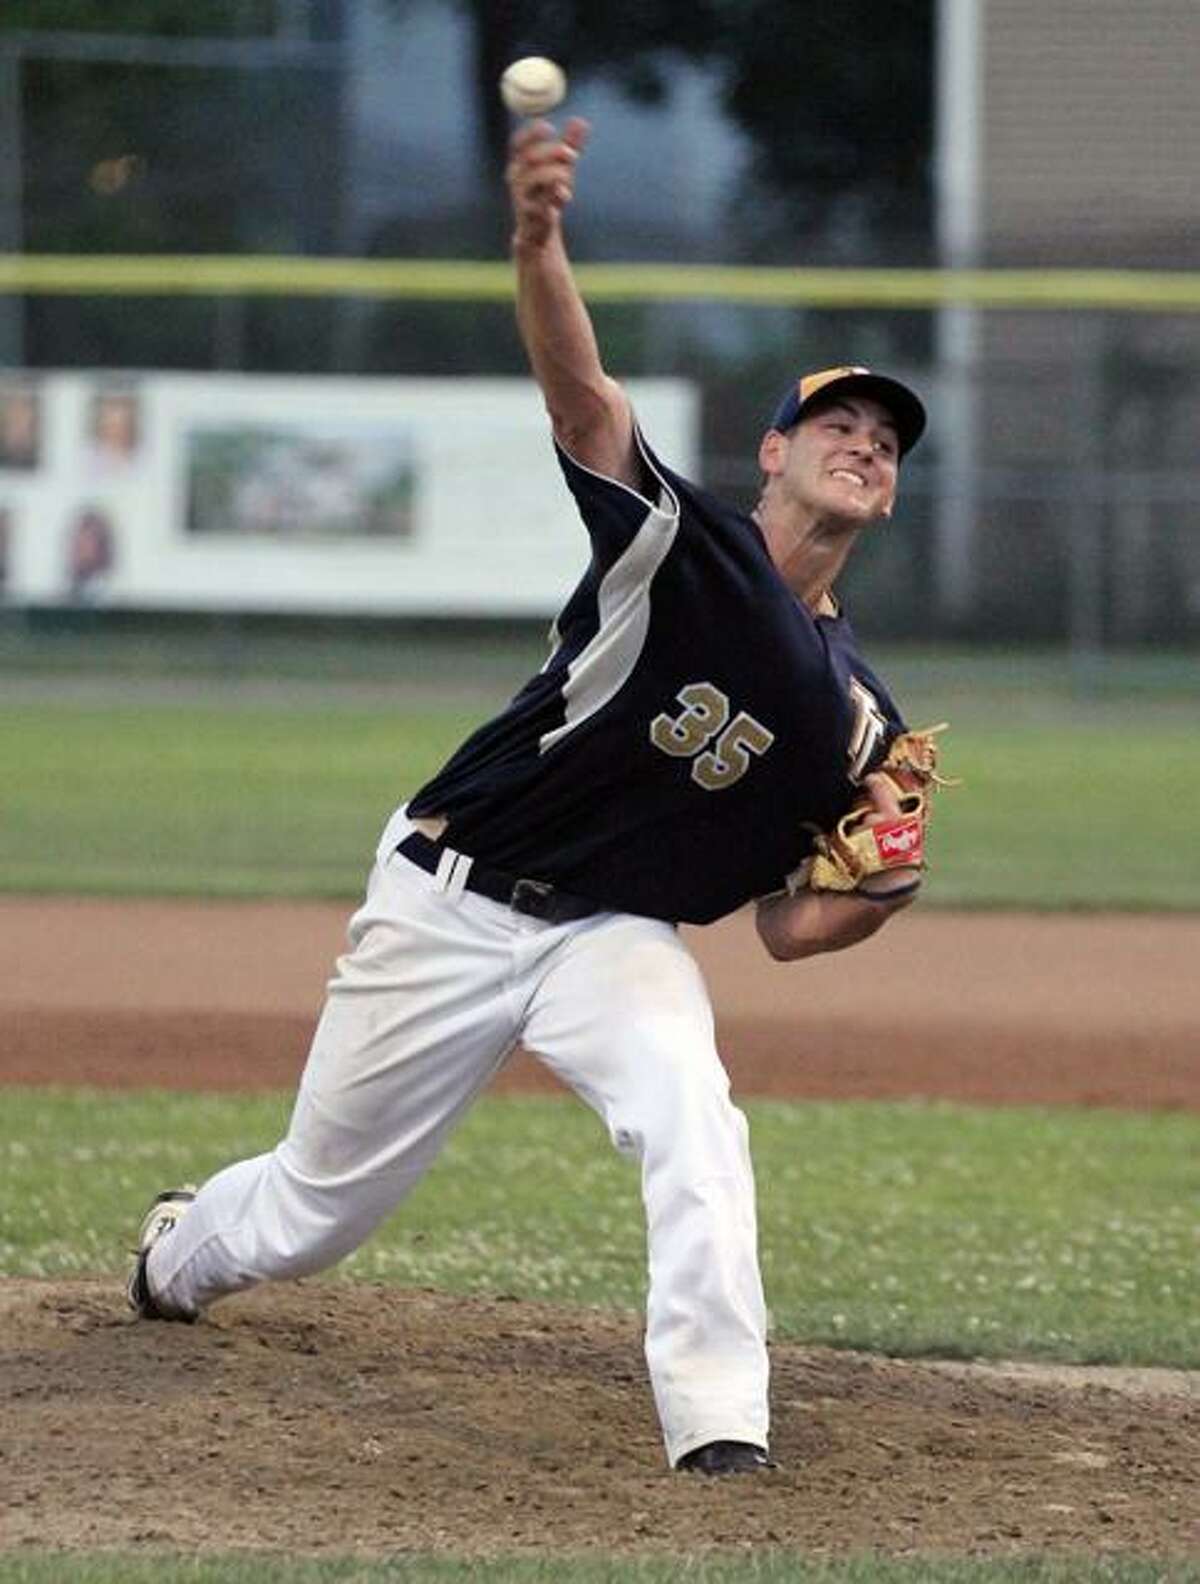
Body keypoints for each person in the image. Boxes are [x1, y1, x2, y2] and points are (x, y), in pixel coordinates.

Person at [127, 118, 932, 1478]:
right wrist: (537, 238)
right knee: (313, 1217)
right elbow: (582, 404)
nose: (866, 445)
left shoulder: (865, 720)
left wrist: (884, 892)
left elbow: (791, 929)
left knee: (691, 1107)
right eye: (837, 423)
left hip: (608, 939)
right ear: (774, 451)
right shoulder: (682, 550)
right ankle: (174, 1258)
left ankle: (719, 1418)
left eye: (887, 441)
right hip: (450, 895)